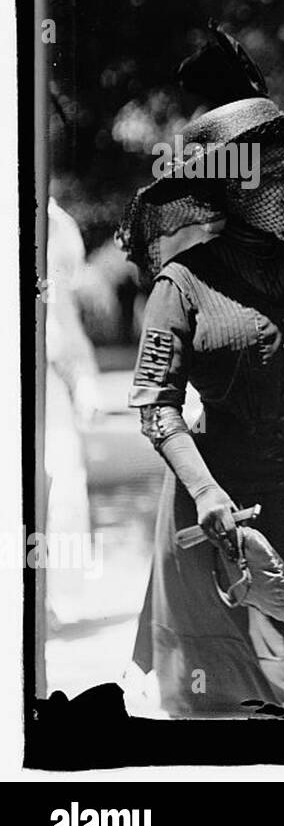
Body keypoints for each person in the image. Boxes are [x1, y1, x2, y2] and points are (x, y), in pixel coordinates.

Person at [118, 25, 284, 718]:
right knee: (233, 699)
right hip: (217, 511)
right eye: (273, 169)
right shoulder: (183, 283)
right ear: (232, 187)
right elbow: (155, 405)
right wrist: (206, 494)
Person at [43, 195, 101, 627]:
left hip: (47, 384)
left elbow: (64, 315)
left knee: (60, 492)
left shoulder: (55, 226)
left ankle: (46, 596)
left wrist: (84, 378)